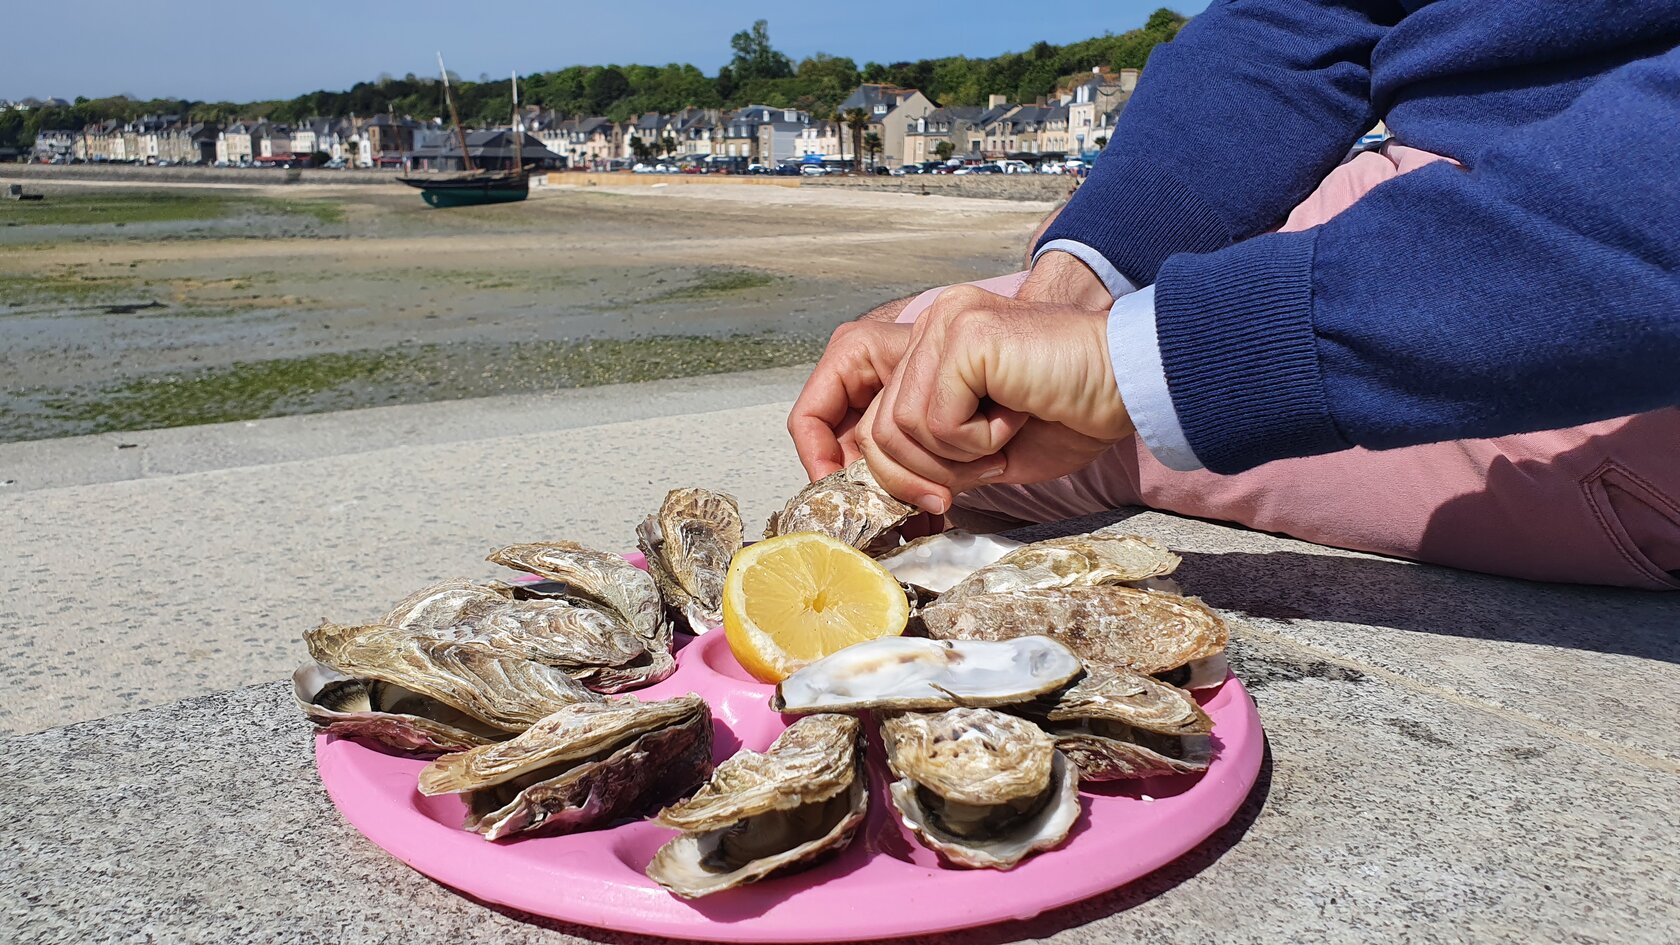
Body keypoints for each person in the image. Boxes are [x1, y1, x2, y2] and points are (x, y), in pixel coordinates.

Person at [789, 1, 1680, 590]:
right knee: (914, 347)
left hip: (1600, 304)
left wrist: (1152, 363)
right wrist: (1069, 291)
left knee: (922, 418)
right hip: (1453, 192)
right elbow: (1298, 20)